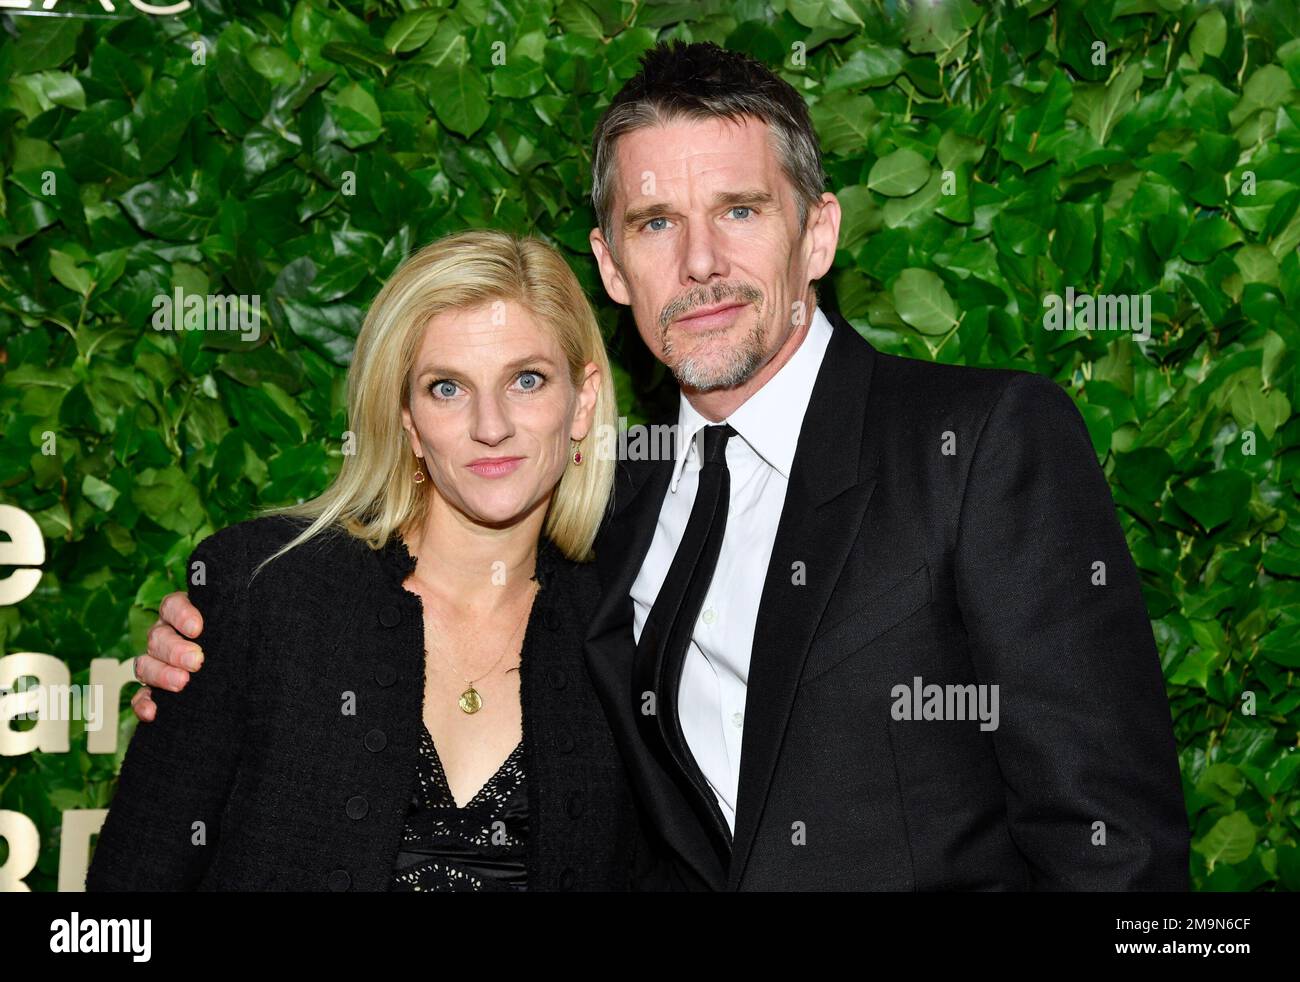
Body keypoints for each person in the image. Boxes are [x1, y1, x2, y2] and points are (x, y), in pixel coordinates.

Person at [132, 42, 1190, 891]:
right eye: (654, 223)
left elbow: (1113, 842)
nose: (700, 263)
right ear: (611, 265)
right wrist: (217, 636)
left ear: (817, 234)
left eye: (740, 211)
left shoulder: (978, 442)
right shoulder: (610, 526)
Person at [87, 229, 644, 891]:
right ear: (407, 418)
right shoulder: (267, 591)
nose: (490, 426)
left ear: (582, 400)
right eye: (447, 388)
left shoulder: (630, 624)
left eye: (527, 380)